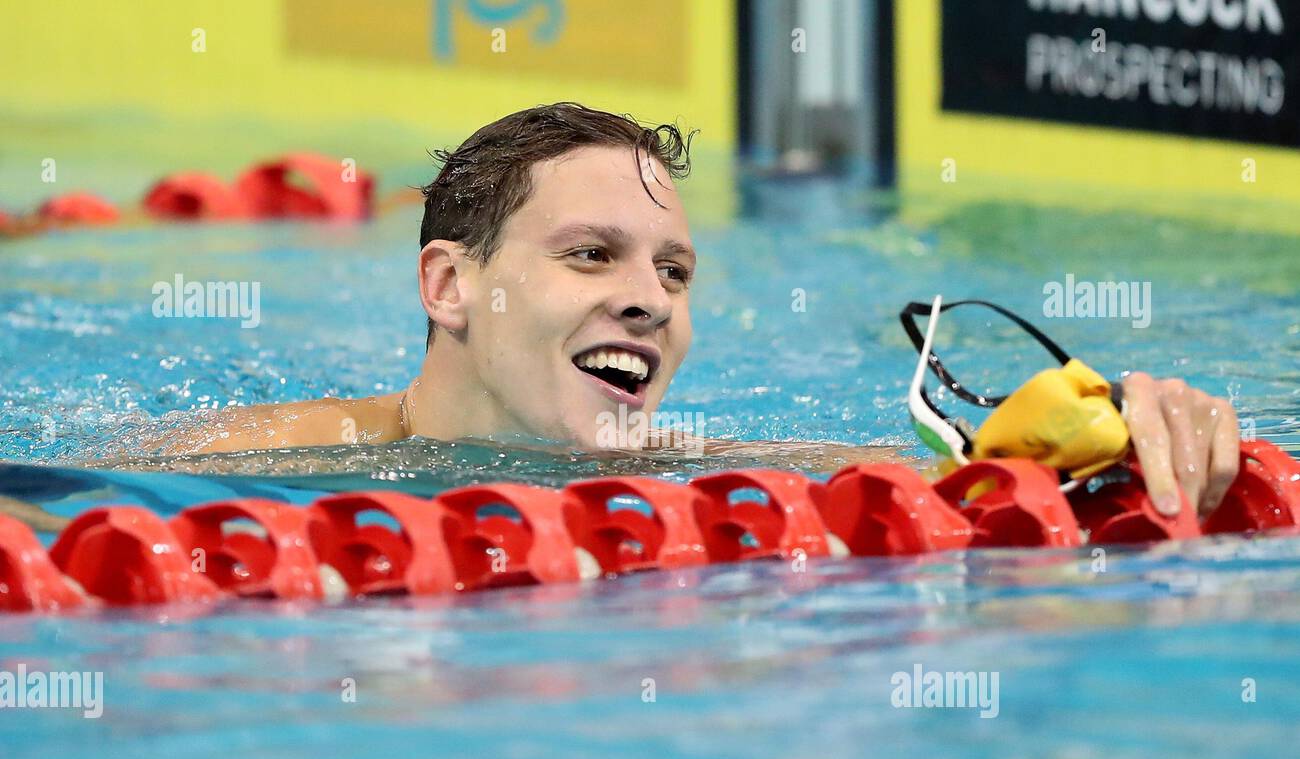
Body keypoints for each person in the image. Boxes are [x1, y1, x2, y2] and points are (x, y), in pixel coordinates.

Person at [164, 102, 1240, 520]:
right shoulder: (265, 460)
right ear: (449, 286)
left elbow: (945, 478)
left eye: (675, 273)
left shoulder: (696, 468)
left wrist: (1125, 426)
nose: (647, 299)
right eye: (591, 254)